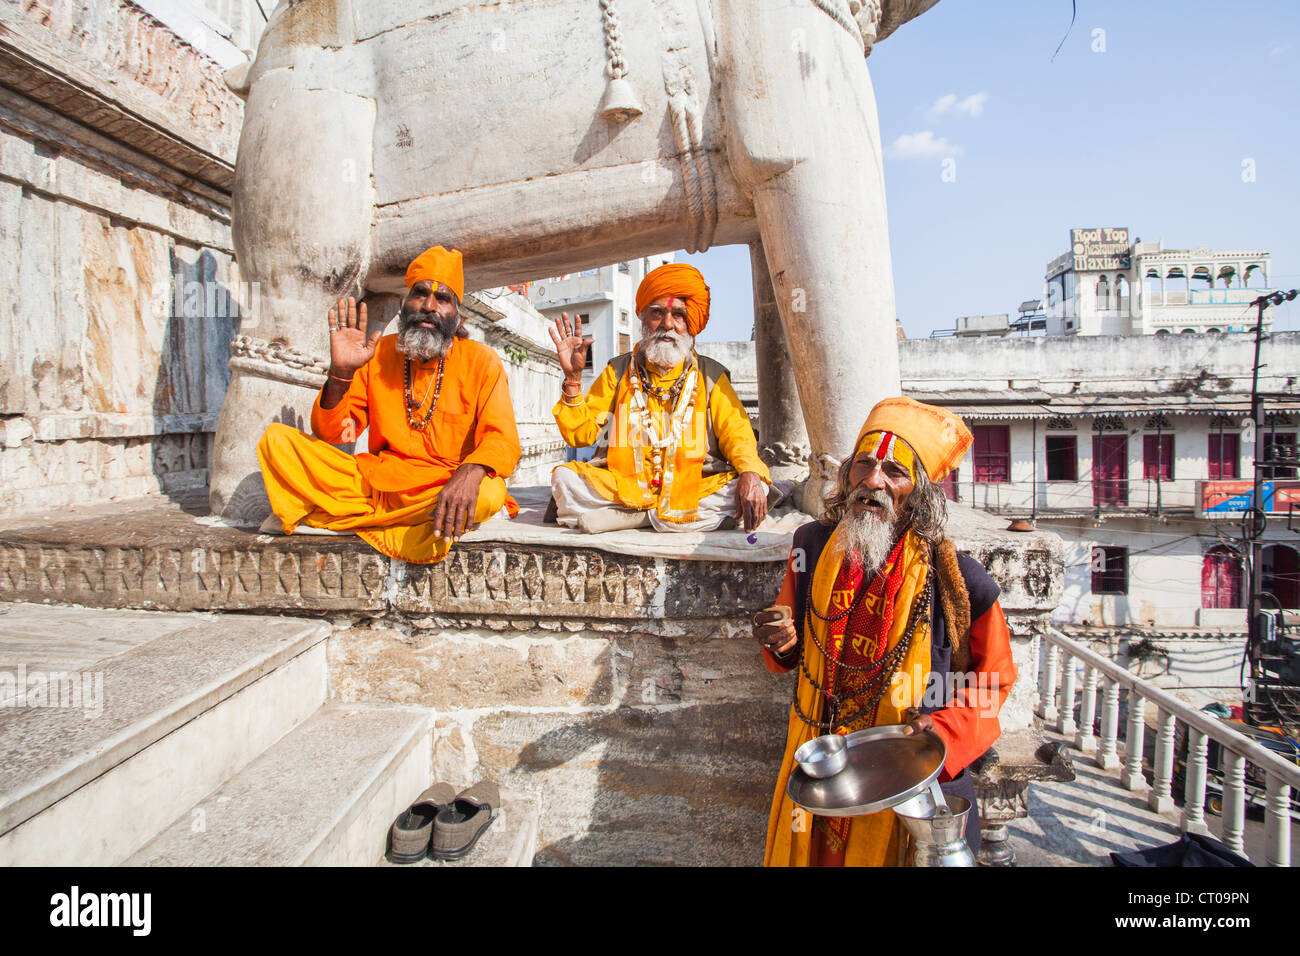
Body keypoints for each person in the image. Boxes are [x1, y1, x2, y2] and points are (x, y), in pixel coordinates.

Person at [754, 397, 1017, 866]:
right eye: (864, 466)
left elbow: (994, 680)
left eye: (893, 472)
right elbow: (789, 640)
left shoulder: (960, 579)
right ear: (847, 475)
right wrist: (781, 642)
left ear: (918, 492)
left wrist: (941, 729)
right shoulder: (810, 545)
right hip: (825, 766)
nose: (873, 482)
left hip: (911, 783)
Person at [256, 245, 520, 563]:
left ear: (457, 316)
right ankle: (402, 522)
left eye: (443, 299)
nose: (429, 306)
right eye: (420, 294)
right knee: (277, 441)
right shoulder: (378, 353)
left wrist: (470, 472)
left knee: (488, 495)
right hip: (380, 483)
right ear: (404, 304)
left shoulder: (482, 361)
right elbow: (334, 433)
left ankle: (346, 517)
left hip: (444, 486)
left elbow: (501, 440)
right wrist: (340, 374)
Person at [547, 262, 771, 534]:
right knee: (564, 478)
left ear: (690, 323)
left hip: (693, 487)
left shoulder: (709, 375)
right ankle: (664, 517)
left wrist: (749, 472)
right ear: (643, 319)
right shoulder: (618, 371)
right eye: (657, 313)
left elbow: (737, 433)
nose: (667, 324)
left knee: (755, 485)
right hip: (623, 486)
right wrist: (572, 378)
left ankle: (634, 518)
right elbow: (579, 436)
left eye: (678, 315)